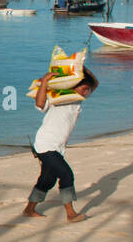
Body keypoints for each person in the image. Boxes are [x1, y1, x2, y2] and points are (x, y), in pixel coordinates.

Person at [23, 68, 98, 222]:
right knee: (66, 175)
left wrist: (79, 68)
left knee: (47, 180)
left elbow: (94, 84)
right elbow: (39, 104)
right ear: (75, 86)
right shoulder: (57, 97)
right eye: (84, 89)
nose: (85, 93)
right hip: (45, 145)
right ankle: (70, 214)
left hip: (58, 147)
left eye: (87, 90)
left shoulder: (77, 99)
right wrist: (45, 81)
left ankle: (29, 209)